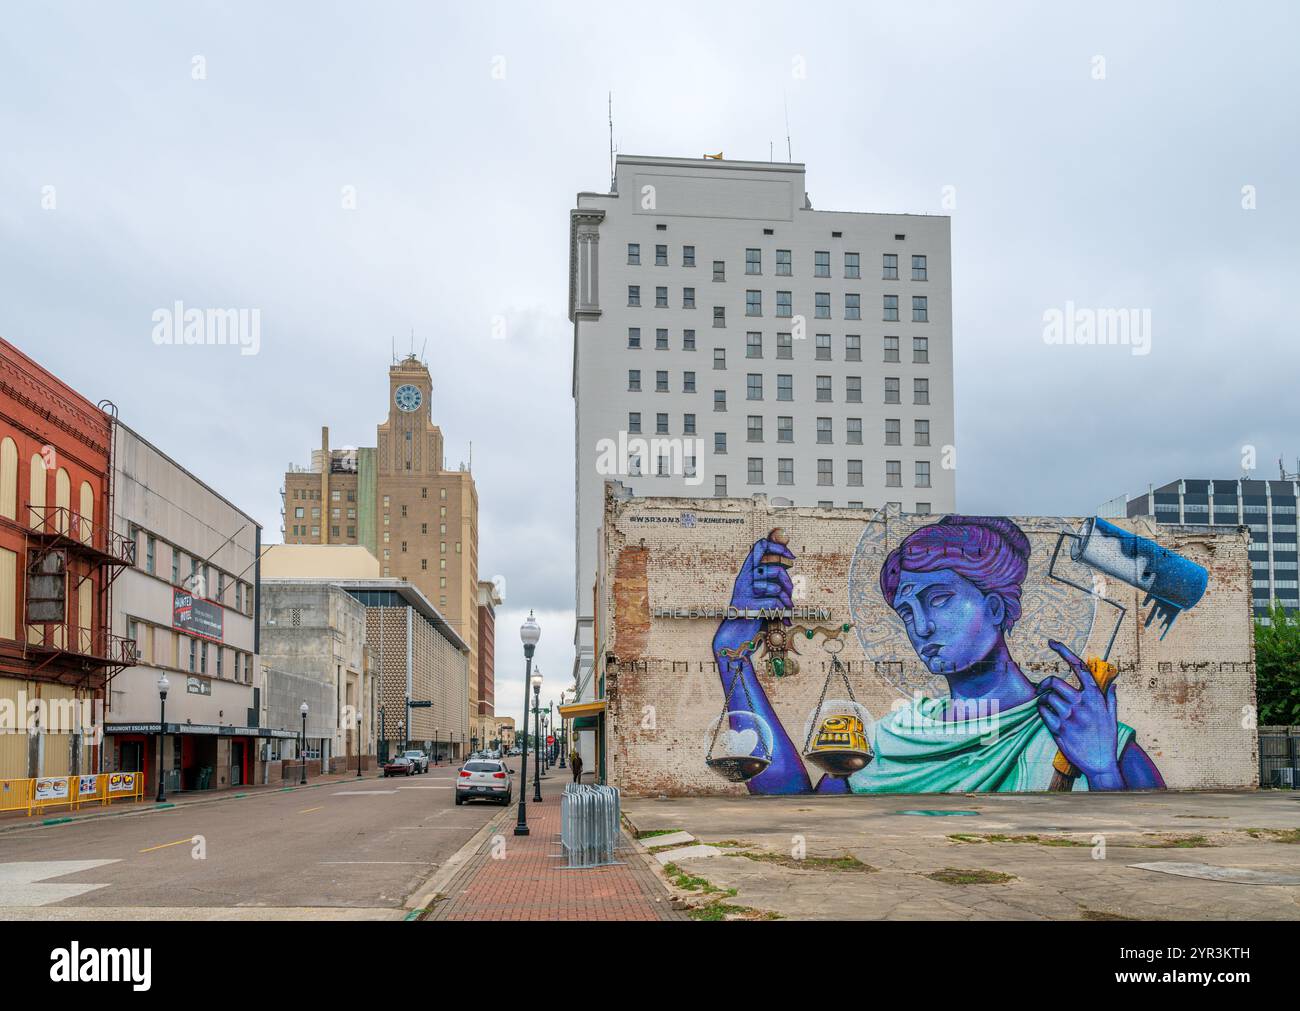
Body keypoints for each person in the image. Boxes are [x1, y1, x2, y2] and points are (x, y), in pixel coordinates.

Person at [711, 515, 1166, 795]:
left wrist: (1101, 767)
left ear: (994, 606)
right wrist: (731, 656)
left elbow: (1150, 852)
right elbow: (798, 813)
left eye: (939, 599)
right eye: (906, 610)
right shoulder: (892, 738)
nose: (921, 627)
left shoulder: (1082, 729)